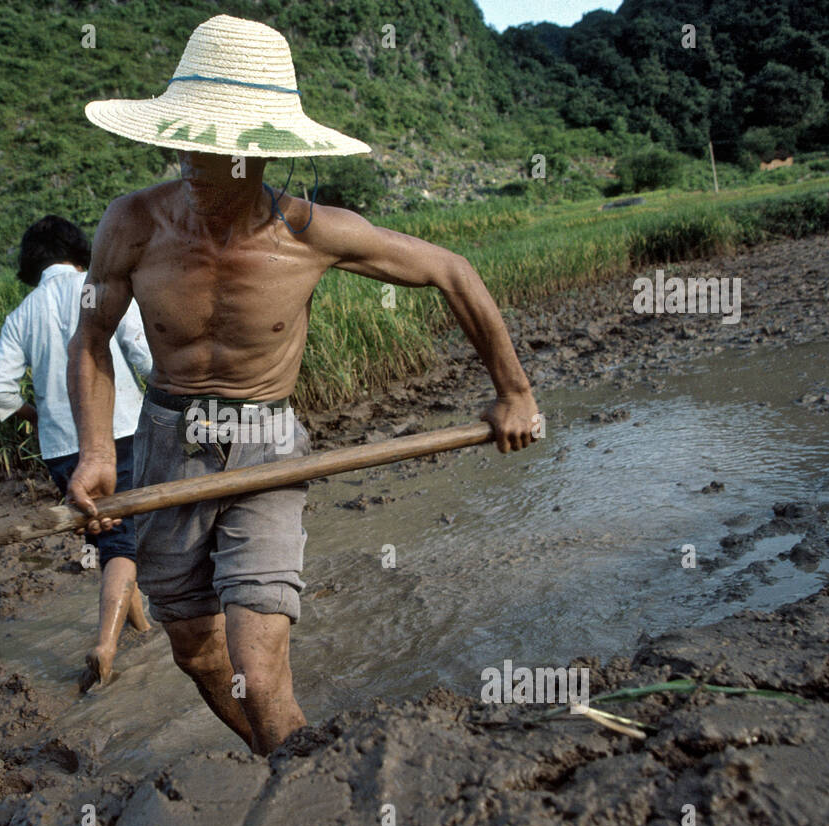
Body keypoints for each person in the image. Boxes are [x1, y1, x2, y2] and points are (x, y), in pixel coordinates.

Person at [67, 16, 541, 753]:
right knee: (194, 646)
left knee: (258, 665)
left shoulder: (311, 234)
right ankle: (281, 758)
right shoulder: (132, 225)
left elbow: (453, 270)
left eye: (220, 148)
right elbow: (92, 336)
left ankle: (304, 775)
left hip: (266, 443)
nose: (196, 160)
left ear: (260, 154)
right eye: (186, 139)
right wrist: (98, 450)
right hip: (166, 438)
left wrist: (513, 391)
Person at [0, 215, 153, 690]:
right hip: (119, 432)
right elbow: (143, 354)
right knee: (125, 540)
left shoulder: (22, 314)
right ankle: (105, 643)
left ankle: (141, 628)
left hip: (61, 447)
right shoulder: (101, 290)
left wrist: (36, 417)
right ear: (81, 251)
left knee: (112, 538)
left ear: (31, 266)